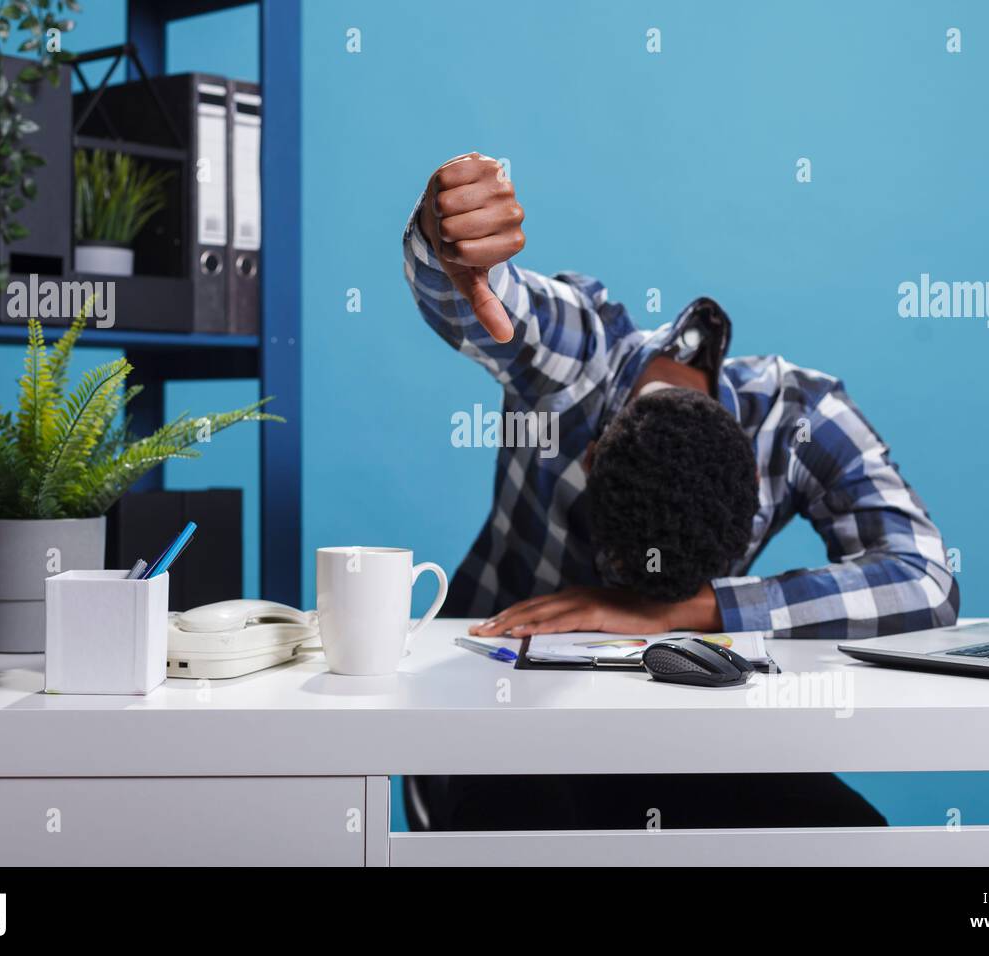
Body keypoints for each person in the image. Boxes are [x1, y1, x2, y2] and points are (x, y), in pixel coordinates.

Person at [401, 152, 958, 831]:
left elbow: (926, 579)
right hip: (493, 710)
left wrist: (687, 611)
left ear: (753, 474)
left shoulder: (796, 420)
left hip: (660, 714)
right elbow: (491, 303)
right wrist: (447, 244)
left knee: (851, 840)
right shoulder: (578, 363)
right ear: (593, 452)